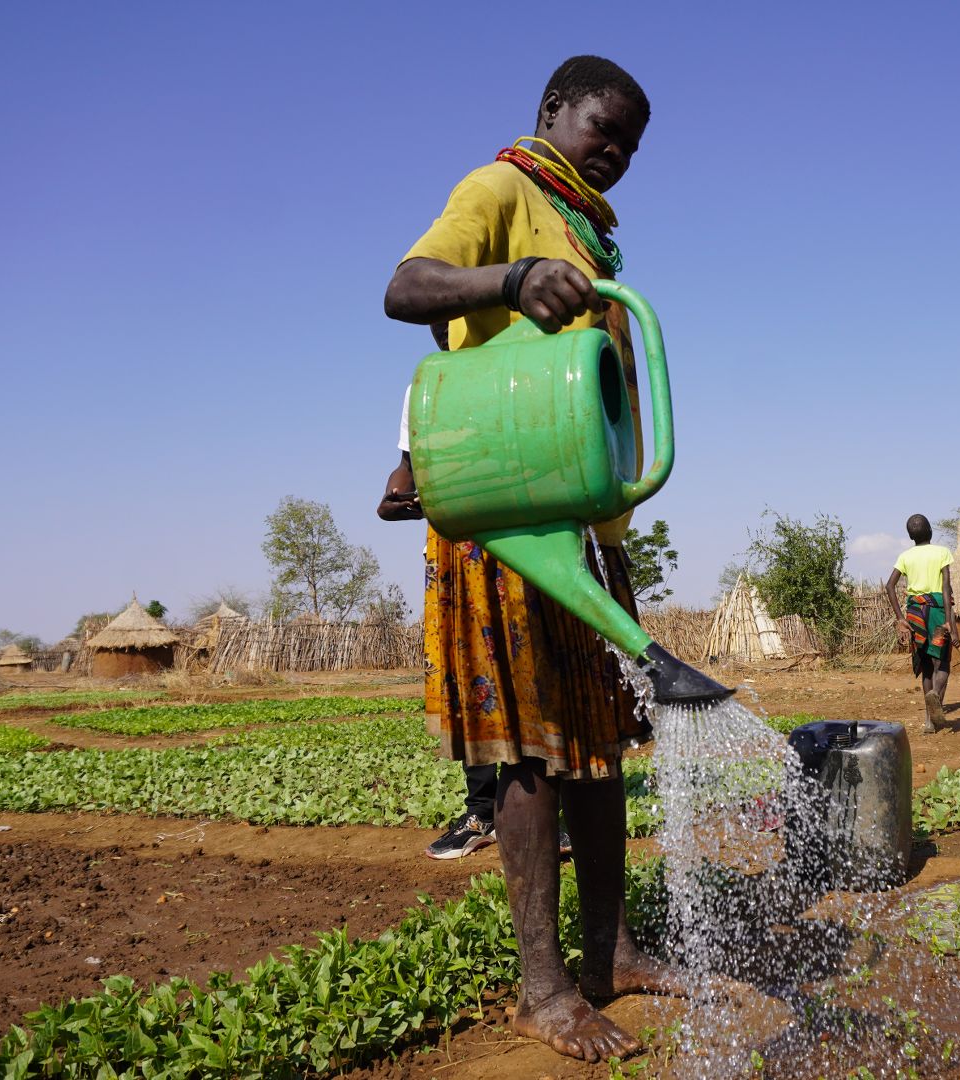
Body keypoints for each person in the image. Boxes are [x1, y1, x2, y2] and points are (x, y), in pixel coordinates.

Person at [381, 56, 681, 1063]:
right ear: (554, 109)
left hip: (586, 530)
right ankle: (543, 988)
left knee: (597, 753)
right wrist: (510, 279)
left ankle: (613, 954)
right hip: (507, 523)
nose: (617, 152)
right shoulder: (501, 188)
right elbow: (406, 287)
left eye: (632, 145)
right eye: (605, 127)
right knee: (529, 755)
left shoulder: (591, 230)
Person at [379, 364, 571, 863]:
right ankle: (482, 810)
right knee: (470, 675)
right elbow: (408, 464)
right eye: (436, 320)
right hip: (457, 546)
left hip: (522, 534)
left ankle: (557, 811)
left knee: (534, 670)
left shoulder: (518, 372)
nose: (444, 328)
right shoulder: (424, 388)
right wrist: (396, 492)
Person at [885, 515, 960, 734]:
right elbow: (946, 589)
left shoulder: (905, 557)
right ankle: (936, 697)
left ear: (910, 535)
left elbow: (890, 586)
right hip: (937, 614)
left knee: (926, 666)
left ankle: (929, 722)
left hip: (915, 616)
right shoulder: (942, 553)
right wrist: (949, 621)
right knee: (942, 663)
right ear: (930, 530)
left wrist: (901, 618)